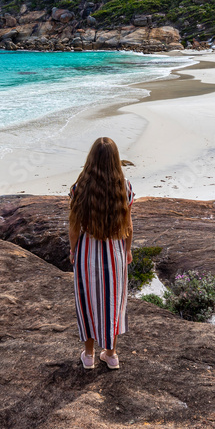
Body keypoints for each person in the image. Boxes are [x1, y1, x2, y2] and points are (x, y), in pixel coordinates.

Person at [68, 137, 134, 370]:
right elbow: (128, 225)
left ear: (91, 158)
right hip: (114, 253)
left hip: (87, 252)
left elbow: (74, 226)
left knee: (87, 302)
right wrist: (127, 251)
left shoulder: (79, 188)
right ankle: (112, 354)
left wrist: (73, 250)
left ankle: (89, 355)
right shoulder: (124, 187)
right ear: (115, 160)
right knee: (113, 302)